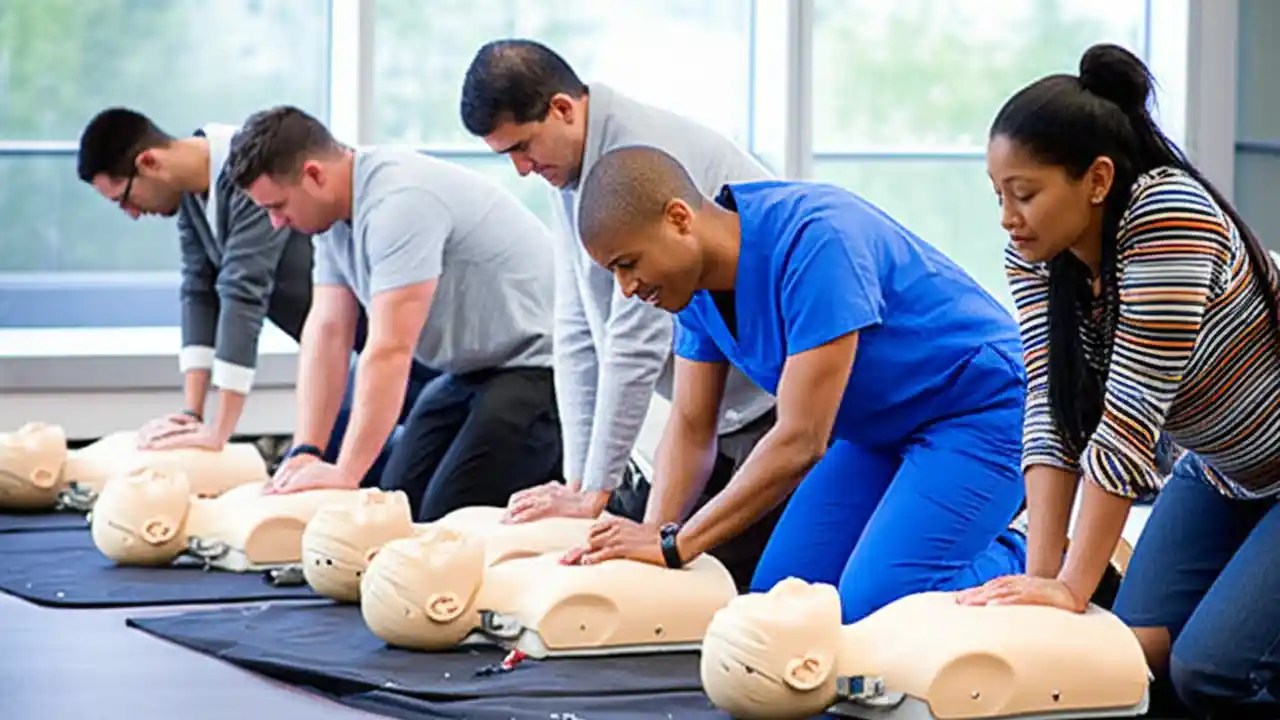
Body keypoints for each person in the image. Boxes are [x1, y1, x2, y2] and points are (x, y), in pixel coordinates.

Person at [568, 144, 1029, 623]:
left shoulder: (816, 239)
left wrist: (676, 544)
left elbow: (801, 440)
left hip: (980, 407)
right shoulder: (694, 290)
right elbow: (689, 424)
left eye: (627, 264)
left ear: (679, 219)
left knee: (875, 606)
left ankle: (1032, 557)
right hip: (879, 432)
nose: (626, 289)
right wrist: (652, 538)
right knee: (781, 602)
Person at [957, 43, 1280, 719]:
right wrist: (1042, 581)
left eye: (1025, 194)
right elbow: (1051, 414)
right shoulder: (1039, 258)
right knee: (1127, 659)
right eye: (998, 195)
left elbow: (1130, 418)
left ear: (1097, 180)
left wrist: (1076, 588)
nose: (1007, 217)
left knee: (1208, 671)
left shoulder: (1170, 218)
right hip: (1226, 470)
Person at [458, 39, 782, 588]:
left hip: (772, 404)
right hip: (708, 412)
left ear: (562, 108)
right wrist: (579, 482)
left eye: (522, 147)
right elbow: (580, 327)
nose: (520, 168)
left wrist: (596, 491)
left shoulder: (634, 153)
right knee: (635, 559)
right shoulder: (570, 167)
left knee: (727, 581)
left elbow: (636, 339)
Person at [226, 105, 563, 522]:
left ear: (314, 175)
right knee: (393, 509)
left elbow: (388, 349)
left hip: (542, 369)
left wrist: (345, 474)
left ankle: (585, 488)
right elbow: (328, 332)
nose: (276, 223)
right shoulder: (330, 220)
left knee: (440, 523)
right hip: (469, 372)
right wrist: (306, 452)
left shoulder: (398, 202)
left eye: (277, 206)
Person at [76, 108, 429, 484]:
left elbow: (242, 291)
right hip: (341, 346)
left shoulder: (250, 174)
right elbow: (199, 291)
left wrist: (219, 431)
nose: (131, 213)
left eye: (123, 199)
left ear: (149, 162)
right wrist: (191, 415)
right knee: (336, 465)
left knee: (375, 464)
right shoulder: (191, 197)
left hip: (392, 336)